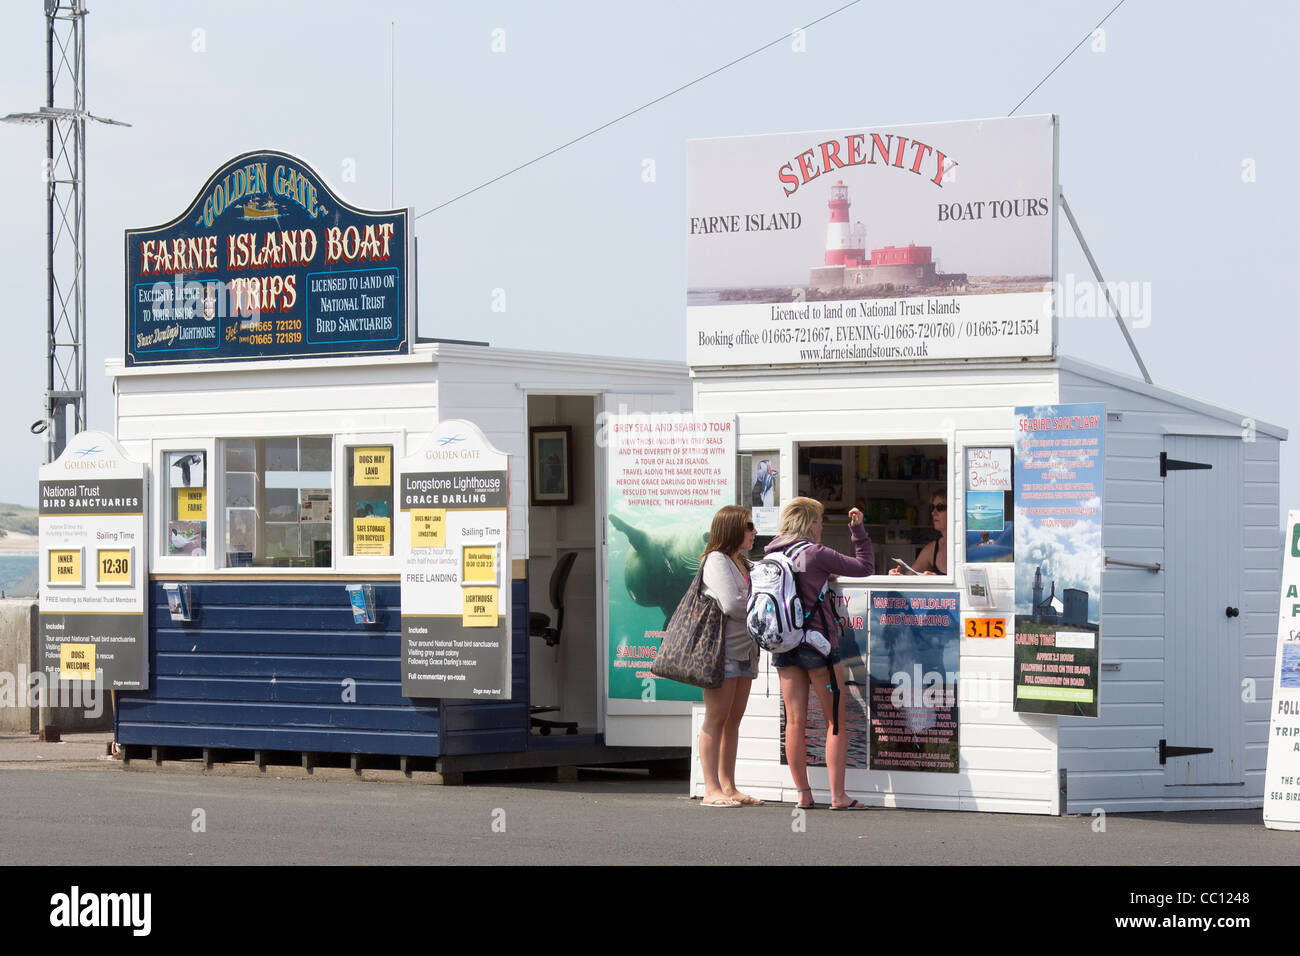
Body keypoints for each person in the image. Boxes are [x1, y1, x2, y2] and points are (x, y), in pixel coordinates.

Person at [767, 496, 874, 810]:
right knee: (834, 722)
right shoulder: (817, 553)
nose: (822, 525)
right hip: (818, 647)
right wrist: (858, 531)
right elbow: (865, 567)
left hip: (784, 645)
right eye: (821, 520)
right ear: (810, 521)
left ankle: (803, 794)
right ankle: (838, 796)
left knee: (795, 721)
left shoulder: (773, 552)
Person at [698, 505, 762, 808]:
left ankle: (729, 785)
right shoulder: (717, 560)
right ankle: (711, 788)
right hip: (722, 651)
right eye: (749, 526)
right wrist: (760, 605)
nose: (754, 532)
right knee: (716, 718)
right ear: (733, 529)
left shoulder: (742, 562)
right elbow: (733, 605)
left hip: (746, 650)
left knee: (733, 721)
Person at [890, 490, 947, 575]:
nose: (933, 513)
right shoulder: (932, 549)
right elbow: (909, 579)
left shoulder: (967, 546)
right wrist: (897, 576)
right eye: (932, 508)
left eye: (940, 508)